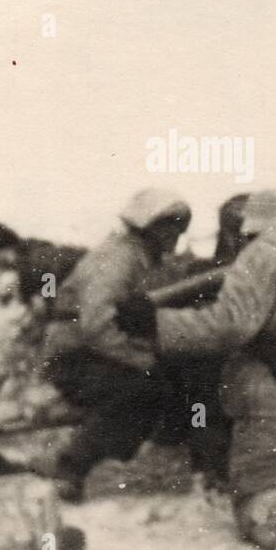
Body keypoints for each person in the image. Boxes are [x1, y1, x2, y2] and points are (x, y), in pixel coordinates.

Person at [115, 188, 276, 550]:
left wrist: (156, 324)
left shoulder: (261, 255)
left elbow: (230, 326)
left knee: (256, 502)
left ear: (252, 223)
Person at [38, 188, 192, 499]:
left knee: (165, 379)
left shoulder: (139, 259)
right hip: (74, 354)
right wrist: (140, 358)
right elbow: (96, 326)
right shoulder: (118, 260)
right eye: (170, 224)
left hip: (92, 349)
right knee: (138, 388)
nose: (176, 233)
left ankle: (131, 463)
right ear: (149, 226)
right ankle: (72, 469)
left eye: (180, 224)